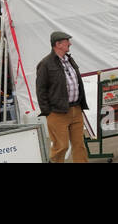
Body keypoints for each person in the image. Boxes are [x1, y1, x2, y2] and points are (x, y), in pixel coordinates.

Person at [36, 31, 88, 163]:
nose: (70, 43)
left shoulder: (70, 60)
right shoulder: (45, 64)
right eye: (67, 41)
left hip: (75, 108)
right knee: (61, 146)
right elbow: (40, 90)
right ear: (58, 44)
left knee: (79, 145)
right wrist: (48, 112)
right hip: (57, 112)